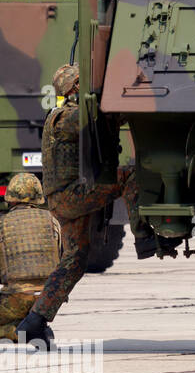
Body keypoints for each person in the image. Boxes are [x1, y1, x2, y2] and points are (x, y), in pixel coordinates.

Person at [14, 65, 168, 348]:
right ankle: (144, 238)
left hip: (63, 198)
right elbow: (102, 120)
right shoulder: (68, 117)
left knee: (75, 260)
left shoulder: (59, 116)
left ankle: (33, 323)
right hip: (70, 196)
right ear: (74, 89)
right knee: (128, 175)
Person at [0, 173, 61, 346]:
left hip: (16, 298)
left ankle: (17, 333)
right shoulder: (53, 221)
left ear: (11, 198)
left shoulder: (2, 223)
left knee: (10, 310)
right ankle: (35, 326)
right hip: (47, 301)